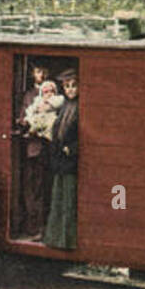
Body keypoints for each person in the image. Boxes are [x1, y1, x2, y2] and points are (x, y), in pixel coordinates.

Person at [42, 68, 79, 250]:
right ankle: (55, 238)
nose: (70, 90)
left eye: (73, 86)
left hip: (71, 162)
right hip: (60, 161)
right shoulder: (65, 106)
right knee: (58, 199)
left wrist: (71, 148)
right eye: (67, 86)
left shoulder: (80, 106)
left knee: (68, 201)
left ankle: (67, 241)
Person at [14, 64, 52, 238]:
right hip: (31, 148)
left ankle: (42, 227)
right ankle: (31, 226)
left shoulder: (53, 93)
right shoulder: (28, 95)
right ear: (32, 74)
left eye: (44, 71)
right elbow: (23, 116)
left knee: (43, 188)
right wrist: (24, 123)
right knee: (30, 188)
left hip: (46, 148)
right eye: (38, 71)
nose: (41, 75)